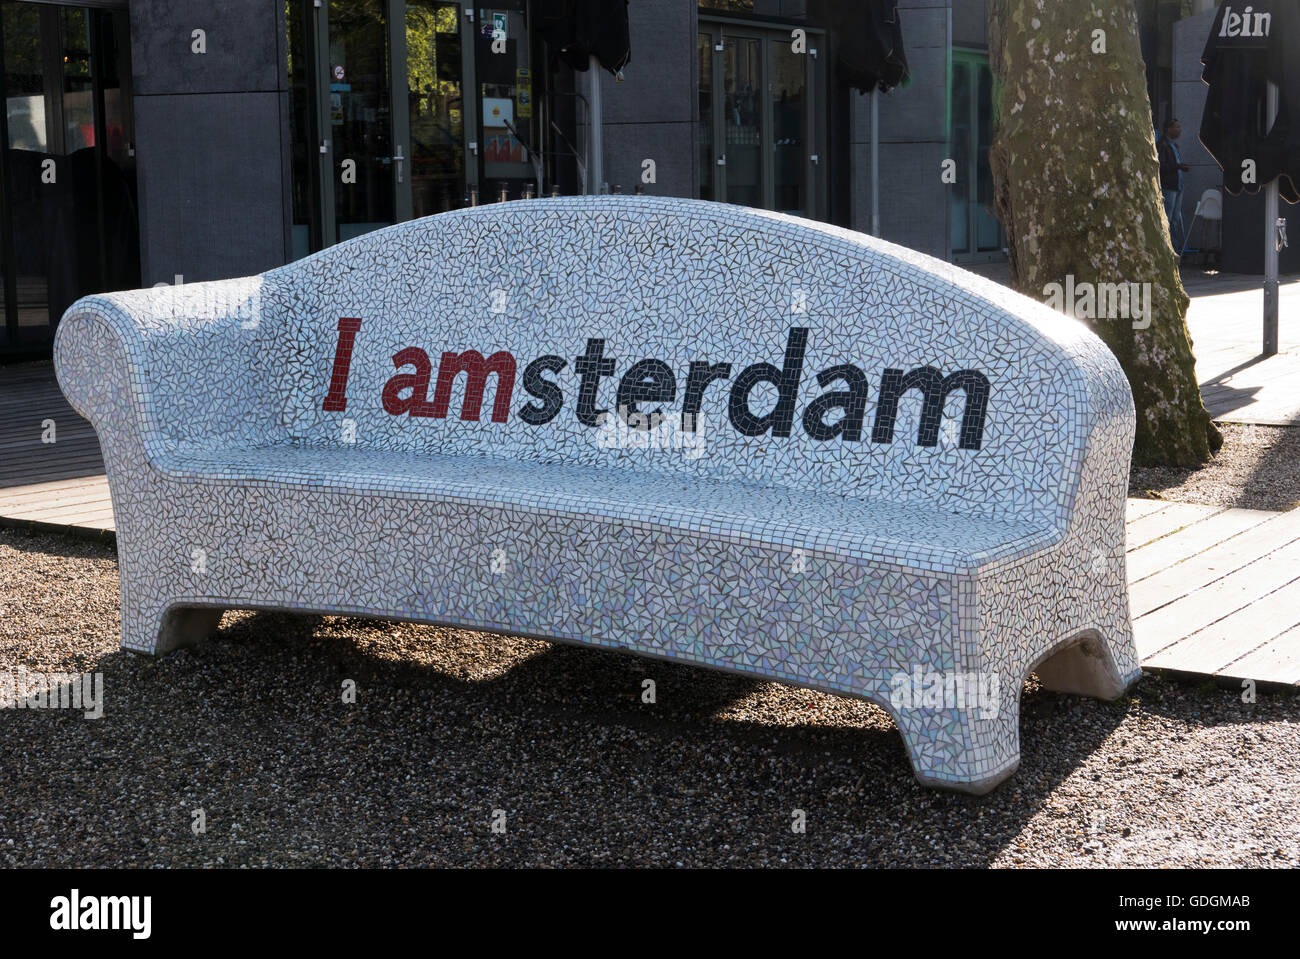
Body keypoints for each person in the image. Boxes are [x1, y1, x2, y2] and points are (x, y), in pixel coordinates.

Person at [1157, 118, 1192, 252]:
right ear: (1168, 129)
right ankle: (1169, 247)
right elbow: (1161, 166)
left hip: (1177, 186)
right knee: (1169, 218)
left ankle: (1176, 247)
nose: (1179, 130)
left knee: (1176, 218)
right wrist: (1178, 166)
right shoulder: (1162, 145)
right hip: (1169, 186)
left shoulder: (1173, 145)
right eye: (1176, 127)